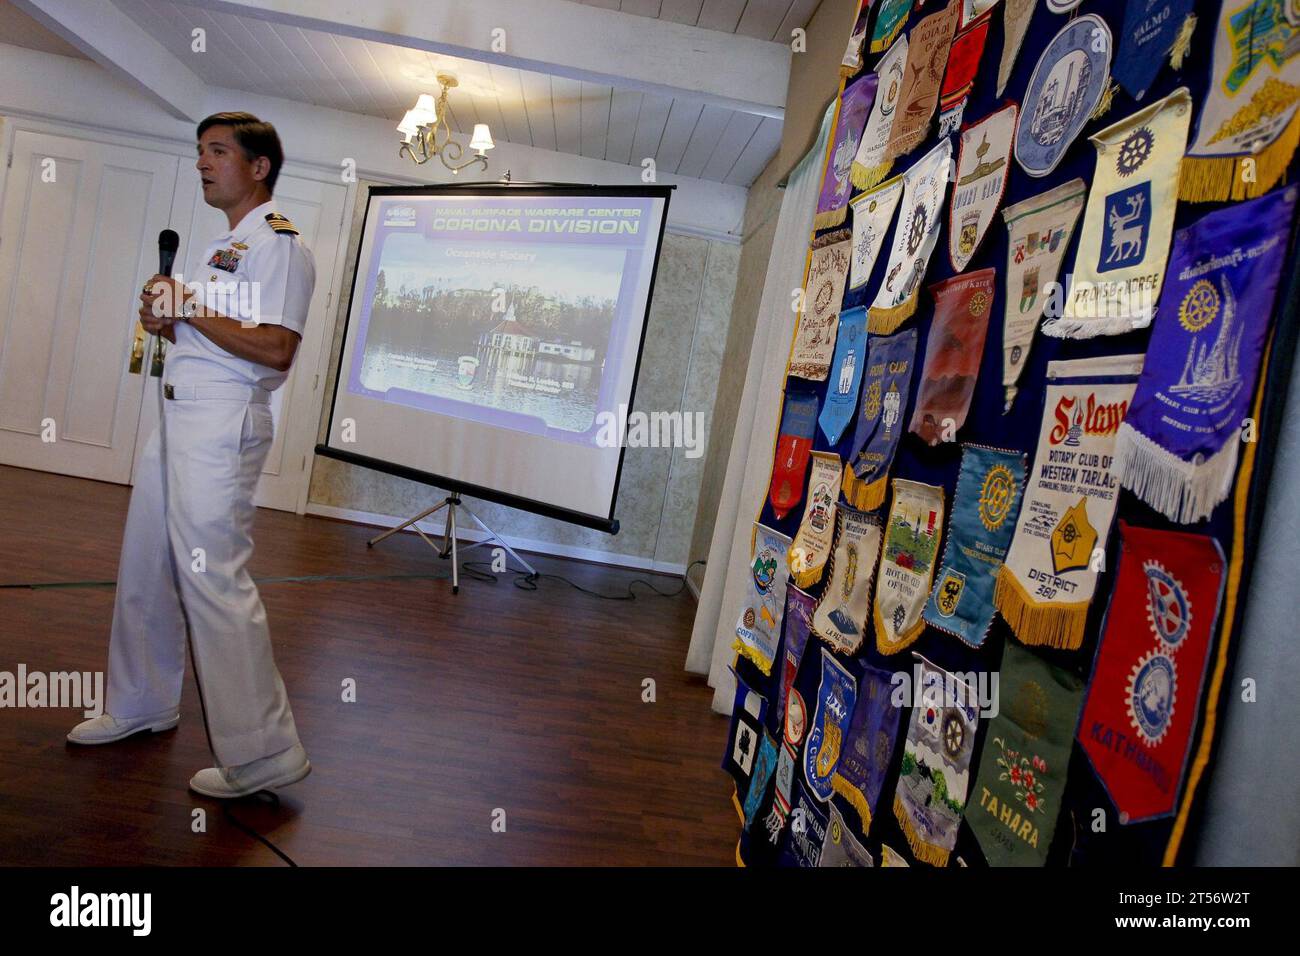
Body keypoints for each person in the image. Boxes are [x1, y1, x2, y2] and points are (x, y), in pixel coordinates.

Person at [68, 112, 315, 799]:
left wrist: (192, 309)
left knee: (214, 582)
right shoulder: (218, 247)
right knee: (146, 560)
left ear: (258, 167)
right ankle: (141, 701)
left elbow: (276, 350)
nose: (202, 162)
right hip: (177, 415)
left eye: (217, 151)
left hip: (222, 423)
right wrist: (166, 319)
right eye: (199, 151)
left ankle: (265, 750)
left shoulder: (280, 245)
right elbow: (210, 336)